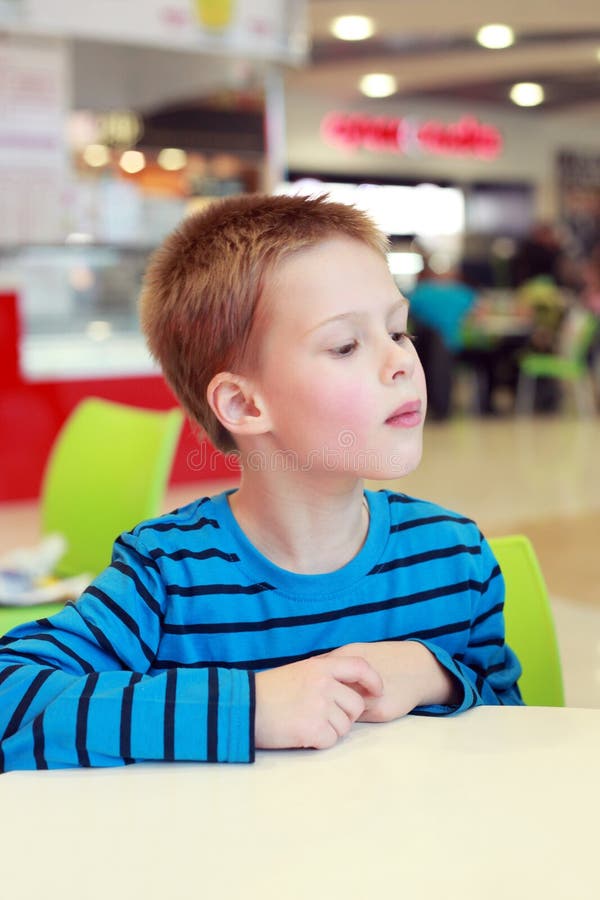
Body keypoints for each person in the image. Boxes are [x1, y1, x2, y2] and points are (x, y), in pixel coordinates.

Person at [0, 194, 522, 773]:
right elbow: (10, 698)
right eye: (345, 345)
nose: (400, 362)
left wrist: (435, 676)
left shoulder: (454, 557)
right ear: (244, 404)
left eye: (398, 332)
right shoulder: (169, 574)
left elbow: (512, 727)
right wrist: (251, 708)